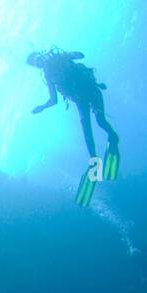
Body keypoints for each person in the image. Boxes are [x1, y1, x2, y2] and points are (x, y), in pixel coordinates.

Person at [28, 48, 120, 204]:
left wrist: (66, 56)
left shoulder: (54, 64)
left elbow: (80, 55)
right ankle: (99, 156)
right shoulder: (52, 70)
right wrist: (42, 107)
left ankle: (110, 142)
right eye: (37, 64)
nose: (39, 64)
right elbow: (54, 100)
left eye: (37, 61)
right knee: (90, 128)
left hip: (88, 92)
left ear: (40, 58)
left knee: (96, 123)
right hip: (83, 96)